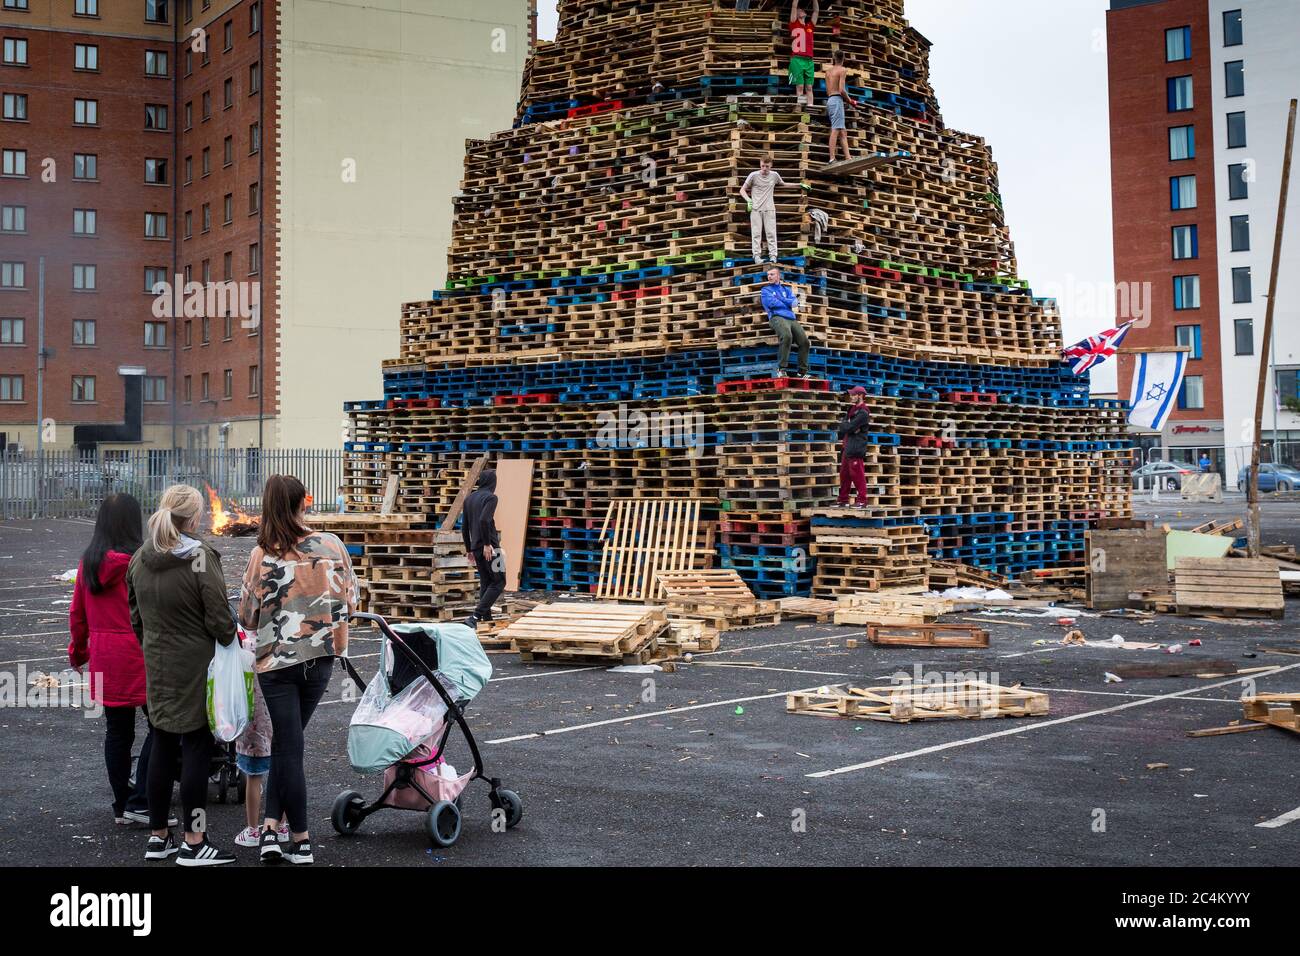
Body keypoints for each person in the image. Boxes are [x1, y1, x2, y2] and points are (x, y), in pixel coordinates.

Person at [239, 474, 358, 865]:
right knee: (289, 744)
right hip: (319, 657)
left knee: (288, 746)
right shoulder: (331, 546)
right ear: (302, 504)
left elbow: (248, 616)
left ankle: (301, 838)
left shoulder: (262, 554)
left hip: (275, 662)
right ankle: (273, 828)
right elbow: (351, 603)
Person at [127, 484, 238, 865]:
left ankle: (159, 836)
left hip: (158, 663)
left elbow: (136, 617)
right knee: (197, 750)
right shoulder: (199, 558)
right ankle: (196, 839)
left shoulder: (141, 558)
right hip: (196, 665)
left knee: (160, 744)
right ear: (192, 518)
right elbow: (221, 619)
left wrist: (154, 645)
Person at [69, 493, 169, 828]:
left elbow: (77, 614)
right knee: (161, 728)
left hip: (104, 656)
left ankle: (122, 804)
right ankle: (142, 800)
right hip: (141, 654)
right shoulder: (141, 561)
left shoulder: (88, 563)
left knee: (117, 732)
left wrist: (78, 652)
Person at [739, 156, 810, 265]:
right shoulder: (753, 175)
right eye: (762, 166)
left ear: (771, 166)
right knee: (756, 234)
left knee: (771, 233)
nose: (764, 168)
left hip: (769, 209)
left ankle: (773, 256)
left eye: (767, 166)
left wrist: (799, 185)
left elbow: (784, 184)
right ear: (760, 164)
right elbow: (742, 190)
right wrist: (749, 200)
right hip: (756, 209)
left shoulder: (774, 175)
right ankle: (757, 256)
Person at [463, 470, 506, 630]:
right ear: (492, 482)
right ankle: (475, 616)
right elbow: (484, 519)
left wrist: (469, 549)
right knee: (500, 581)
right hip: (492, 549)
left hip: (476, 547)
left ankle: (486, 619)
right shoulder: (491, 498)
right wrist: (488, 544)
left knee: (486, 582)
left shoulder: (469, 499)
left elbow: (465, 527)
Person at [760, 266, 811, 379]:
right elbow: (772, 304)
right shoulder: (765, 290)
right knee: (787, 336)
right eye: (768, 275)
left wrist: (781, 299)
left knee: (805, 342)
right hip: (776, 317)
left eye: (772, 274)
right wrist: (787, 303)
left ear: (778, 276)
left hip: (791, 318)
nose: (769, 277)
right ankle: (781, 369)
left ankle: (802, 372)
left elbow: (795, 303)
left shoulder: (786, 290)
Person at [836, 386, 872, 508]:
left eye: (853, 395)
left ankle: (862, 500)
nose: (851, 397)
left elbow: (849, 427)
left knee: (857, 475)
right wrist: (847, 426)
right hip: (847, 447)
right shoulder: (851, 409)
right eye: (850, 395)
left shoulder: (863, 412)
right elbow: (844, 426)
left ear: (860, 396)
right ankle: (843, 500)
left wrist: (848, 426)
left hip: (856, 448)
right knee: (844, 475)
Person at [825, 49, 857, 163]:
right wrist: (850, 101)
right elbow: (842, 90)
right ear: (844, 59)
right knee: (836, 129)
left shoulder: (828, 72)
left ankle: (848, 157)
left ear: (834, 58)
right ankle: (832, 158)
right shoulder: (843, 70)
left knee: (843, 131)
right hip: (837, 100)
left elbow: (828, 90)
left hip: (830, 100)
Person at [789, 0, 819, 107]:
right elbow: (794, 6)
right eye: (799, 10)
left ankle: (810, 107)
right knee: (800, 86)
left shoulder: (810, 26)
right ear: (796, 14)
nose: (801, 10)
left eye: (802, 10)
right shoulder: (794, 23)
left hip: (809, 60)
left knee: (809, 87)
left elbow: (816, 11)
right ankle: (800, 107)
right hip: (797, 59)